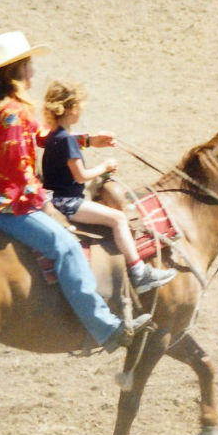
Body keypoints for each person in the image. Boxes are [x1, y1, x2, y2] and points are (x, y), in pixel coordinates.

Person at [0, 32, 154, 353]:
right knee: (66, 246)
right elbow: (18, 169)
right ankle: (105, 327)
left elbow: (42, 136)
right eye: (29, 65)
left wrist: (88, 140)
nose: (33, 71)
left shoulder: (9, 107)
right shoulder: (14, 113)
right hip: (7, 204)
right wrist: (44, 202)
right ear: (18, 70)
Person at [41, 81, 179, 294]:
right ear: (72, 109)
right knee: (118, 219)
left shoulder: (54, 136)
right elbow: (80, 176)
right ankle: (139, 272)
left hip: (56, 199)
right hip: (68, 202)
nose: (83, 108)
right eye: (81, 104)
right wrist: (104, 167)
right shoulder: (68, 140)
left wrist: (92, 141)